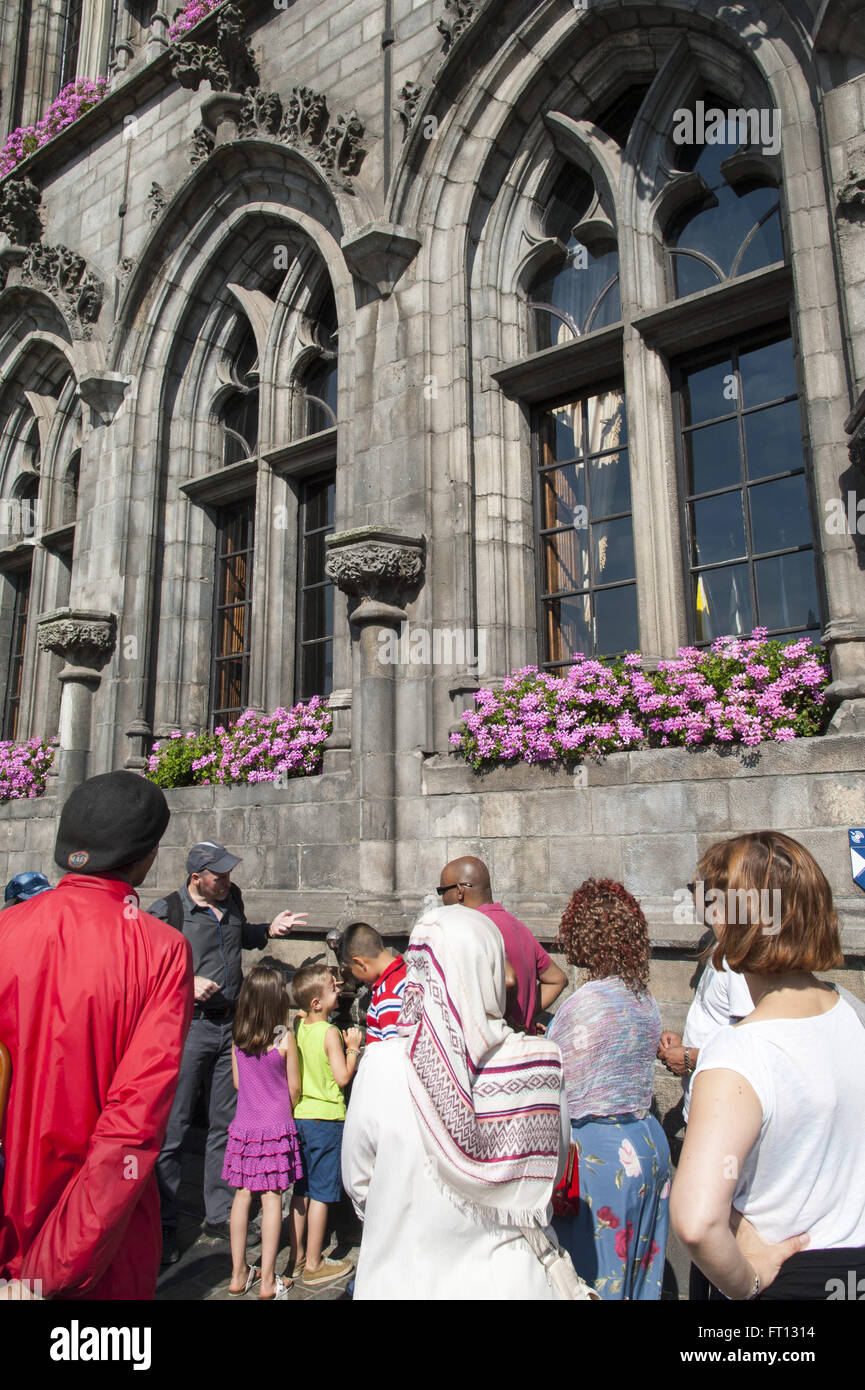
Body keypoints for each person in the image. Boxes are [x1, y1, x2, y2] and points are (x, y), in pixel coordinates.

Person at [0, 771, 192, 1300]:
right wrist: (47, 1271)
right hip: (98, 1246)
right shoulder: (161, 949)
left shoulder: (6, 930)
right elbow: (132, 1126)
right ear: (147, 855)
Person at [671, 831, 865, 1300]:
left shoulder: (739, 1051)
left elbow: (697, 1223)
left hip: (780, 1275)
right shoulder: (851, 1010)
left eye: (716, 904)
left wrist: (747, 1280)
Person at [341, 903, 570, 1300]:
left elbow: (359, 1181)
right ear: (492, 968)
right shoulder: (542, 1065)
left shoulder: (383, 1064)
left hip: (405, 1276)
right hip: (514, 1283)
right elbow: (551, 1170)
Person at [151, 842, 305, 1263]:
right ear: (195, 877)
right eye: (218, 877)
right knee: (175, 1128)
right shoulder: (168, 912)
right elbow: (143, 964)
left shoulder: (231, 899)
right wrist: (186, 981)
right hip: (189, 1028)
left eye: (228, 876)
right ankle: (164, 1225)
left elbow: (241, 937)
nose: (226, 883)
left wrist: (268, 931)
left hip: (233, 1030)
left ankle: (219, 1214)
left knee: (226, 1123)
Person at [547, 878, 671, 1299]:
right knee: (642, 1275)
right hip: (648, 1142)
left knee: (596, 1278)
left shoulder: (586, 1004)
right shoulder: (643, 997)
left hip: (600, 1156)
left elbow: (557, 1086)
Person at [222, 962, 303, 1301]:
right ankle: (268, 1280)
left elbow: (240, 1084)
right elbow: (295, 1089)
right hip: (275, 1126)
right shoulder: (285, 1038)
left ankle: (238, 1273)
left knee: (242, 1196)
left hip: (245, 1126)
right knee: (272, 1200)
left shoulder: (238, 1038)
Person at [287, 964, 361, 1288]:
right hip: (327, 1119)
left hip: (301, 1115)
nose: (340, 991)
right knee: (321, 1193)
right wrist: (354, 1047)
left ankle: (297, 1255)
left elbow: (306, 1013)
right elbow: (343, 1076)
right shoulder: (331, 1033)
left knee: (300, 1191)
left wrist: (325, 981)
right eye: (334, 988)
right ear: (317, 1003)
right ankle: (316, 1263)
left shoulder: (299, 1026)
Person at [436, 856, 567, 1032]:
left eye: (442, 891)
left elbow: (508, 981)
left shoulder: (471, 929)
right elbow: (557, 979)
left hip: (491, 1052)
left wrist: (507, 1021)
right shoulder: (518, 927)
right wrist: (525, 1017)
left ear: (460, 891)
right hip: (521, 1047)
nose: (442, 899)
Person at [339, 921, 406, 1044]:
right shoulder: (406, 972)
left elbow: (394, 1048)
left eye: (352, 970)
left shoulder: (388, 993)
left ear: (360, 963)